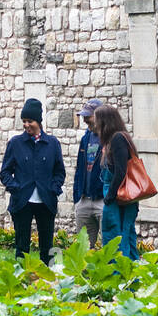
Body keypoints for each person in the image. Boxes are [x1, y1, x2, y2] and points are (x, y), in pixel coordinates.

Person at [0, 98, 65, 265]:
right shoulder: (15, 143)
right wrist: (16, 188)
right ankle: (21, 280)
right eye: (24, 121)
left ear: (39, 121)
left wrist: (53, 188)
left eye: (30, 121)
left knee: (47, 247)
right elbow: (5, 172)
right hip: (22, 203)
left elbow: (59, 172)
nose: (27, 125)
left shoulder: (52, 144)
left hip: (46, 202)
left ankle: (48, 280)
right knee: (21, 247)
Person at [93, 104, 140, 260]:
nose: (95, 124)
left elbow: (120, 171)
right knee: (121, 235)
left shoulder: (118, 139)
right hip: (117, 198)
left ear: (105, 122)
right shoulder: (113, 140)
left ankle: (120, 275)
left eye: (97, 121)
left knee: (117, 236)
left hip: (120, 199)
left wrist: (110, 196)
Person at [71, 98, 104, 248]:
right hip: (84, 199)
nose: (85, 120)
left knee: (109, 248)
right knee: (83, 250)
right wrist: (77, 198)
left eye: (88, 117)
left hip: (103, 200)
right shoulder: (86, 138)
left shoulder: (111, 138)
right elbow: (79, 169)